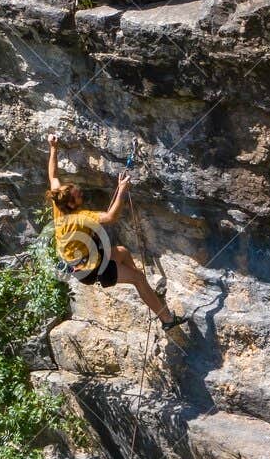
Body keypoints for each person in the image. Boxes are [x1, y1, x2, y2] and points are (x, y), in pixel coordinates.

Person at [47, 132, 188, 329]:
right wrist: (121, 190)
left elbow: (53, 175)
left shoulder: (59, 202)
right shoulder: (80, 218)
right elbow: (111, 217)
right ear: (71, 203)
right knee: (138, 279)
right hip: (90, 269)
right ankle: (167, 320)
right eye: (78, 194)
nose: (81, 193)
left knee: (122, 252)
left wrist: (53, 148)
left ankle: (144, 287)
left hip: (84, 260)